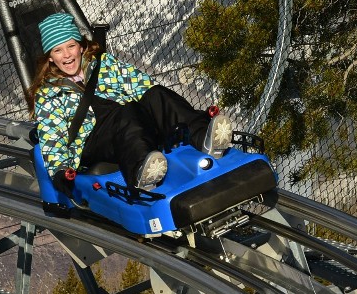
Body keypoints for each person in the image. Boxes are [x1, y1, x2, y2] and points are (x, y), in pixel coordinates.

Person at [29, 12, 233, 193]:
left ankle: (202, 136)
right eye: (58, 50)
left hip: (129, 119)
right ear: (50, 58)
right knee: (125, 114)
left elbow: (140, 84)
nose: (66, 55)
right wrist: (59, 170)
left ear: (81, 47)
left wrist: (154, 104)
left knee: (156, 93)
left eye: (71, 46)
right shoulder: (49, 93)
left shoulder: (104, 64)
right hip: (94, 138)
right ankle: (140, 171)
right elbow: (51, 135)